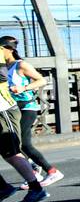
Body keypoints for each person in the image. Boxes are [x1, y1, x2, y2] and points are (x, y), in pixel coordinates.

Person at [0, 36, 62, 186]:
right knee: (16, 144)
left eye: (2, 49)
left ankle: (52, 171)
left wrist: (23, 88)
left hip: (27, 107)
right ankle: (33, 172)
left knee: (23, 144)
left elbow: (42, 80)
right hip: (12, 107)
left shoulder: (21, 65)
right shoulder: (3, 66)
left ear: (10, 50)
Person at [0, 73, 47, 202]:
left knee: (12, 154)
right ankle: (2, 188)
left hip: (3, 111)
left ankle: (36, 189)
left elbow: (2, 76)